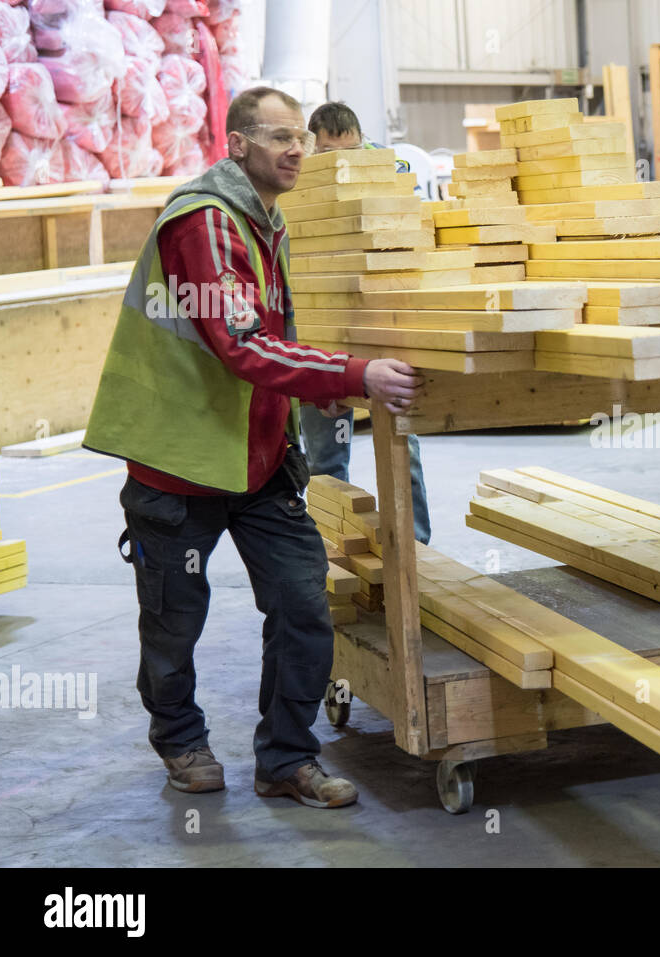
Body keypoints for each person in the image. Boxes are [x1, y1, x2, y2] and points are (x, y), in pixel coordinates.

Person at [84, 86, 424, 808]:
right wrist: (354, 374)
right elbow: (241, 344)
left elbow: (272, 336)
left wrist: (313, 386)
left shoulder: (267, 220)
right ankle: (180, 740)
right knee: (175, 621)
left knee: (303, 602)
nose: (296, 149)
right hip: (178, 462)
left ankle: (286, 758)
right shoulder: (203, 225)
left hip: (258, 458)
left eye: (299, 136)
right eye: (278, 137)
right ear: (237, 144)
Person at [299, 101, 432, 545]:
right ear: (312, 147)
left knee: (401, 445)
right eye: (328, 154)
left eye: (349, 152)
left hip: (381, 328)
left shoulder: (387, 174)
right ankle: (331, 556)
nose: (340, 165)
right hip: (320, 335)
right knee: (324, 456)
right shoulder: (296, 184)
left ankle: (416, 551)